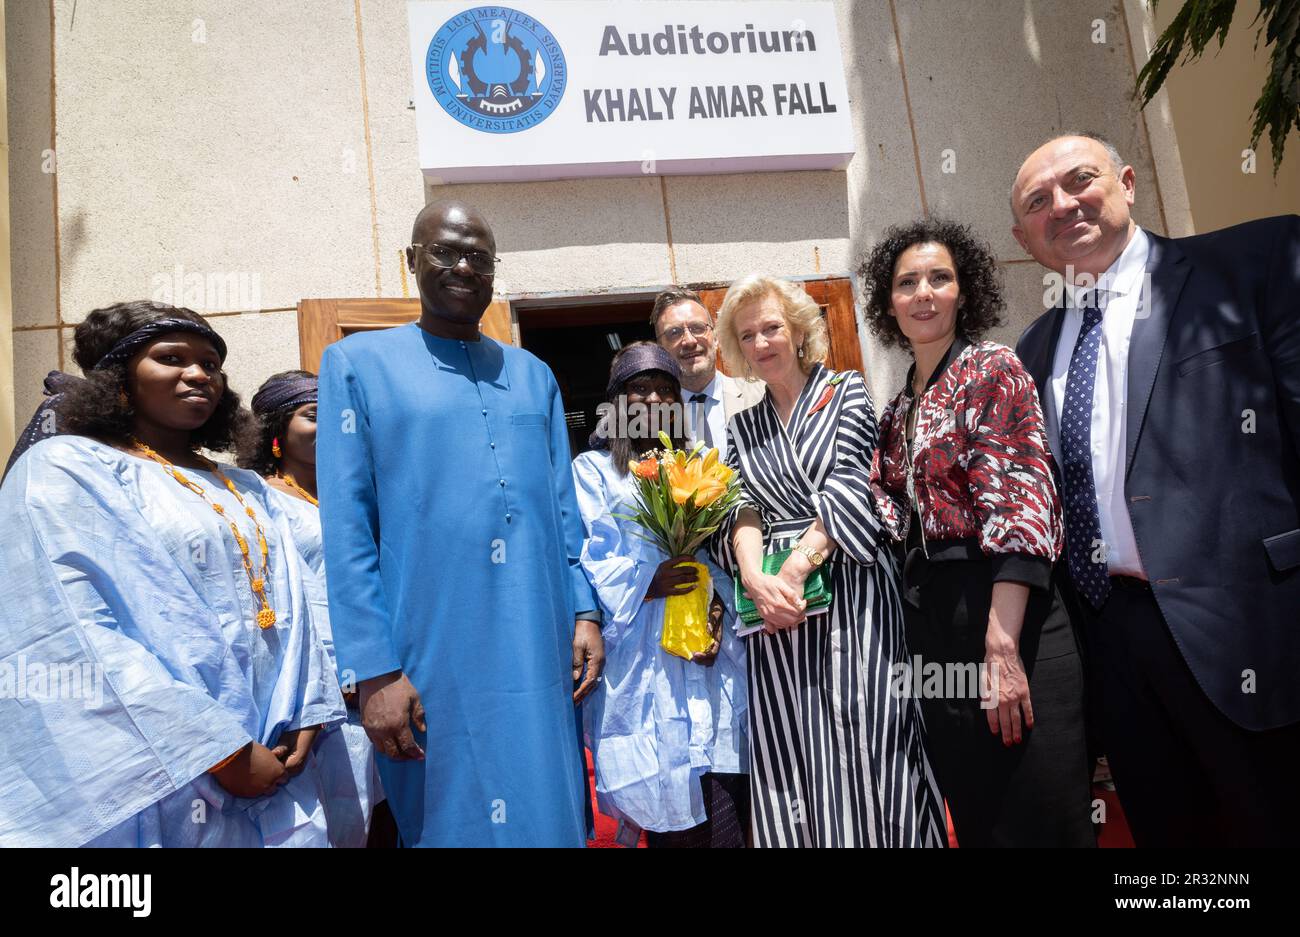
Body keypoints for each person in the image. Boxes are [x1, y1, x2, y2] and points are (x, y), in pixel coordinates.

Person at [1011, 131, 1300, 847]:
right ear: (1022, 236)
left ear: (1129, 182)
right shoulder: (1032, 348)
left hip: (1253, 629)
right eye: (1038, 202)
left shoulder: (1253, 264)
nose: (1063, 205)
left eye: (1080, 179)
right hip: (1113, 645)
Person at [0, 301, 344, 847]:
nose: (198, 374)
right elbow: (75, 633)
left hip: (276, 750)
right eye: (171, 358)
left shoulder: (245, 486)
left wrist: (309, 712)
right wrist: (219, 749)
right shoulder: (70, 467)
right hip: (158, 762)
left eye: (211, 362)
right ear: (118, 377)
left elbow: (302, 607)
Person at [316, 200, 604, 847]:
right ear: (411, 261)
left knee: (550, 805)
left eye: (479, 255)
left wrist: (585, 612)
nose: (463, 266)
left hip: (538, 636)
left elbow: (564, 512)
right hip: (429, 647)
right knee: (451, 814)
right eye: (445, 251)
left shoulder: (534, 377)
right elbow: (347, 531)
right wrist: (374, 671)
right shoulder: (357, 365)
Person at [862, 218, 1093, 847]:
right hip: (931, 621)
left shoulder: (992, 366)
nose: (924, 292)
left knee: (1044, 817)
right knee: (980, 811)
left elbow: (1022, 506)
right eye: (907, 282)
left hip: (1006, 610)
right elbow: (886, 511)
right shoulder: (897, 410)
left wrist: (1001, 647)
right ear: (890, 303)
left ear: (964, 291)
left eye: (940, 278)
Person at [709, 274, 946, 847]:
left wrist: (792, 569)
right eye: (748, 336)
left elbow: (851, 484)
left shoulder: (848, 391)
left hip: (849, 591)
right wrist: (754, 578)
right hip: (775, 615)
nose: (762, 343)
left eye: (771, 328)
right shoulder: (741, 427)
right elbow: (739, 507)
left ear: (796, 331)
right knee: (793, 748)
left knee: (867, 735)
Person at [574, 342, 749, 847]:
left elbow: (724, 549)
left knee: (723, 791)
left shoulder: (700, 463)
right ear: (617, 401)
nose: (653, 399)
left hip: (706, 649)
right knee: (663, 786)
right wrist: (649, 584)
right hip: (641, 646)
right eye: (639, 388)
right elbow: (592, 552)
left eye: (665, 389)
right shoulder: (594, 469)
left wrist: (711, 603)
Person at [236, 370, 384, 848]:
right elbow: (284, 599)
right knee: (336, 817)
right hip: (321, 689)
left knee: (385, 814)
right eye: (313, 415)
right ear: (276, 430)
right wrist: (330, 679)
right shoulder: (256, 499)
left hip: (382, 674)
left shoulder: (359, 495)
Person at [652, 287, 765, 461]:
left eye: (697, 328)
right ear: (660, 348)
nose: (689, 341)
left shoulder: (762, 394)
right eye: (674, 333)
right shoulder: (652, 418)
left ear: (716, 337)